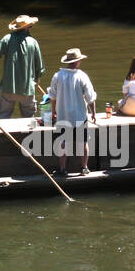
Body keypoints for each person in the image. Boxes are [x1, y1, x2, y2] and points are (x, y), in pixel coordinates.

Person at [49, 48, 97, 176]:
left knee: (63, 142)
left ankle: (63, 169)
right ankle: (84, 168)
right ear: (78, 61)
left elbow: (52, 96)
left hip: (63, 115)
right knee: (83, 142)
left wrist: (53, 111)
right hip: (80, 115)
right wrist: (93, 112)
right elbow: (90, 97)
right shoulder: (82, 76)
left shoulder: (57, 76)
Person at [0, 15, 45, 118]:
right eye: (30, 26)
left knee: (4, 118)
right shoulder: (33, 42)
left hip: (8, 88)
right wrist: (37, 79)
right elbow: (40, 67)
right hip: (27, 89)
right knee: (29, 120)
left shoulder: (7, 39)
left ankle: (4, 134)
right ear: (26, 28)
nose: (31, 28)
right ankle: (28, 134)